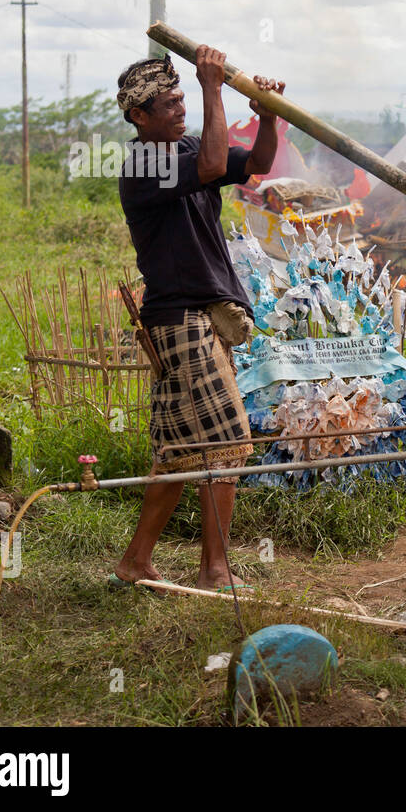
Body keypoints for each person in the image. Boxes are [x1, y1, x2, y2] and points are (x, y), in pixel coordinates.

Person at [111, 46, 284, 592]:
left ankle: (135, 562)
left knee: (179, 454)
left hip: (201, 316)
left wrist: (268, 115)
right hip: (179, 319)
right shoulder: (143, 165)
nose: (180, 108)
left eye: (183, 97)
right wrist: (214, 87)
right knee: (228, 444)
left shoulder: (188, 146)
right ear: (139, 117)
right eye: (168, 103)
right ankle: (215, 570)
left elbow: (255, 166)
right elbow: (211, 166)